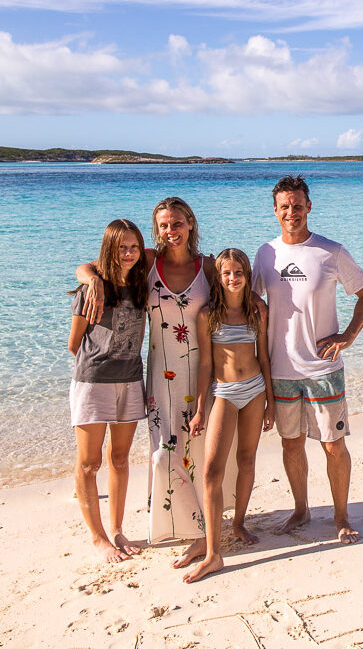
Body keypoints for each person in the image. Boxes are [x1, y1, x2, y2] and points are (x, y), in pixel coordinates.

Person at [77, 197, 239, 567]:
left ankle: (204, 531)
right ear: (157, 230)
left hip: (204, 372)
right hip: (161, 375)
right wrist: (92, 282)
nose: (171, 231)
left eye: (177, 223)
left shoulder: (209, 267)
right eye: (164, 225)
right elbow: (90, 265)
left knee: (201, 452)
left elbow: (238, 296)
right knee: (165, 453)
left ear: (191, 224)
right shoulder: (148, 261)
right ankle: (185, 526)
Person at [252, 175, 363, 544]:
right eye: (284, 206)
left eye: (297, 205)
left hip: (324, 369)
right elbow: (248, 298)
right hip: (281, 369)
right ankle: (301, 509)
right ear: (275, 211)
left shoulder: (331, 252)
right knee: (291, 443)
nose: (292, 212)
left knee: (333, 445)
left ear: (309, 206)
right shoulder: (266, 253)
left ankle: (341, 516)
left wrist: (348, 336)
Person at [183, 249, 275, 583]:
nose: (232, 278)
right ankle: (212, 551)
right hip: (224, 392)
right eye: (226, 273)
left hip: (255, 390)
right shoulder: (209, 314)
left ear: (247, 275)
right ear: (218, 277)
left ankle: (238, 523)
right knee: (211, 471)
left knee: (247, 459)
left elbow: (263, 356)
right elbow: (206, 364)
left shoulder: (256, 311)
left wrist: (272, 403)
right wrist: (199, 410)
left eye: (238, 272)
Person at [68, 219, 148, 563]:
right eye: (121, 248)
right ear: (109, 249)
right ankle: (98, 538)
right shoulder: (93, 288)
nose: (128, 253)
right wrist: (91, 278)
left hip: (131, 380)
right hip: (93, 381)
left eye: (133, 247)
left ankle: (116, 529)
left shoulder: (143, 283)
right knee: (89, 464)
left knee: (119, 459)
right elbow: (75, 344)